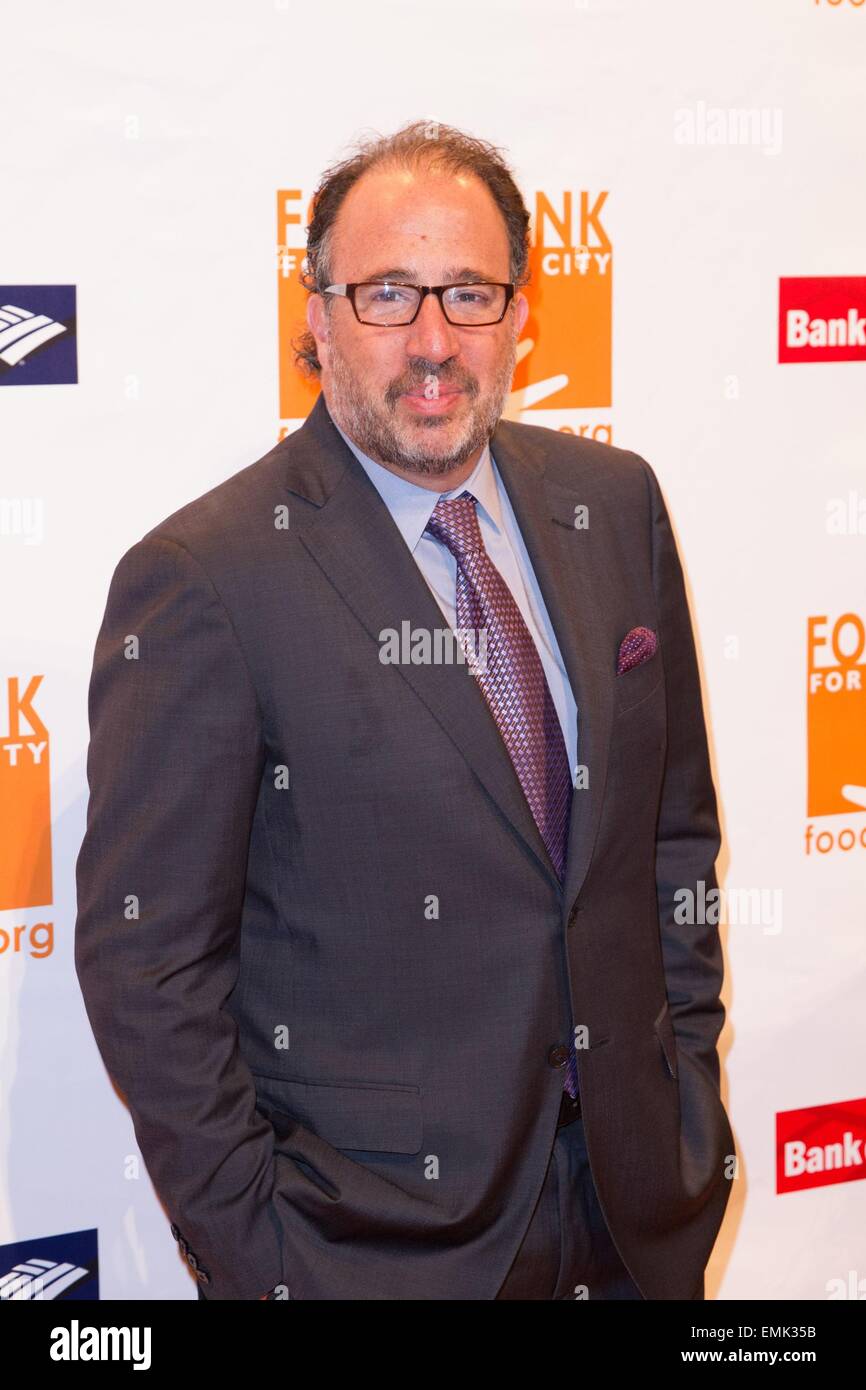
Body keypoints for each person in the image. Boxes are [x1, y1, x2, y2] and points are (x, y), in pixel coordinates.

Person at [74, 119, 734, 1301]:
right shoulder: (208, 578)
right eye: (387, 294)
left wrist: (683, 1084)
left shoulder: (612, 503)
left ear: (522, 315)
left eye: (468, 293)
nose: (433, 341)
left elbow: (669, 838)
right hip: (371, 1252)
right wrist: (269, 1252)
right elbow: (149, 963)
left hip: (635, 1221)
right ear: (317, 317)